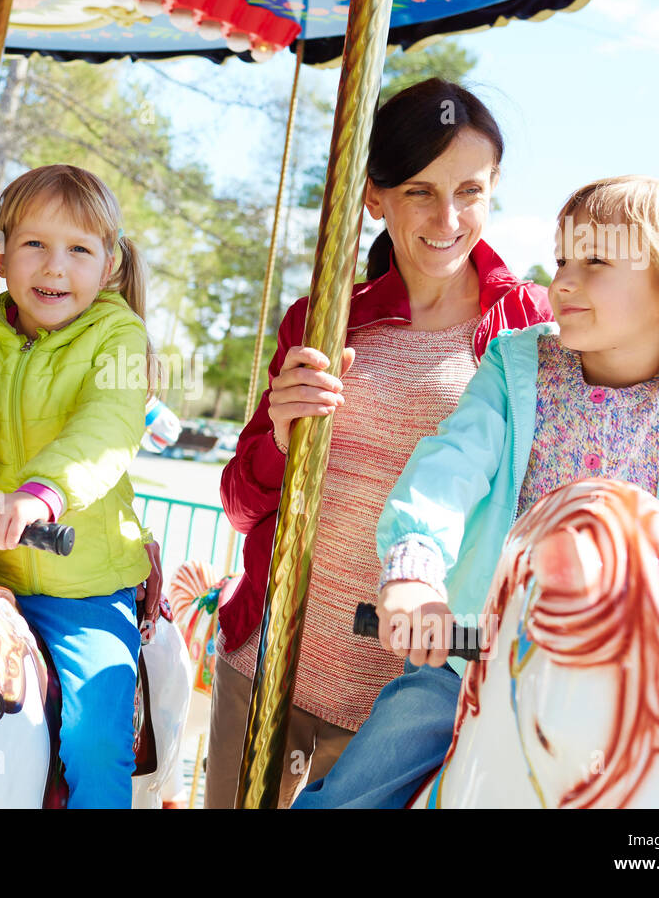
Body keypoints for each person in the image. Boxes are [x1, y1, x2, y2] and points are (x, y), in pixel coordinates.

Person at [294, 176, 659, 809]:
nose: (561, 281)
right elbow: (451, 464)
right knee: (357, 793)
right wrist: (415, 568)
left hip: (631, 680)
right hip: (481, 653)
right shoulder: (519, 366)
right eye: (563, 259)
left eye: (595, 262)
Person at [206, 79, 554, 809]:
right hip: (271, 661)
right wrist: (278, 431)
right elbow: (240, 504)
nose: (448, 217)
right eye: (420, 191)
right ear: (375, 198)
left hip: (411, 698)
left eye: (470, 190)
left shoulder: (527, 329)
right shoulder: (326, 317)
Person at [0, 164, 153, 808]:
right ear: (2, 256)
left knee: (96, 734)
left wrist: (41, 496)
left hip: (83, 585)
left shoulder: (118, 337)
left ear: (109, 264)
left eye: (78, 250)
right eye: (35, 244)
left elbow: (108, 427)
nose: (54, 268)